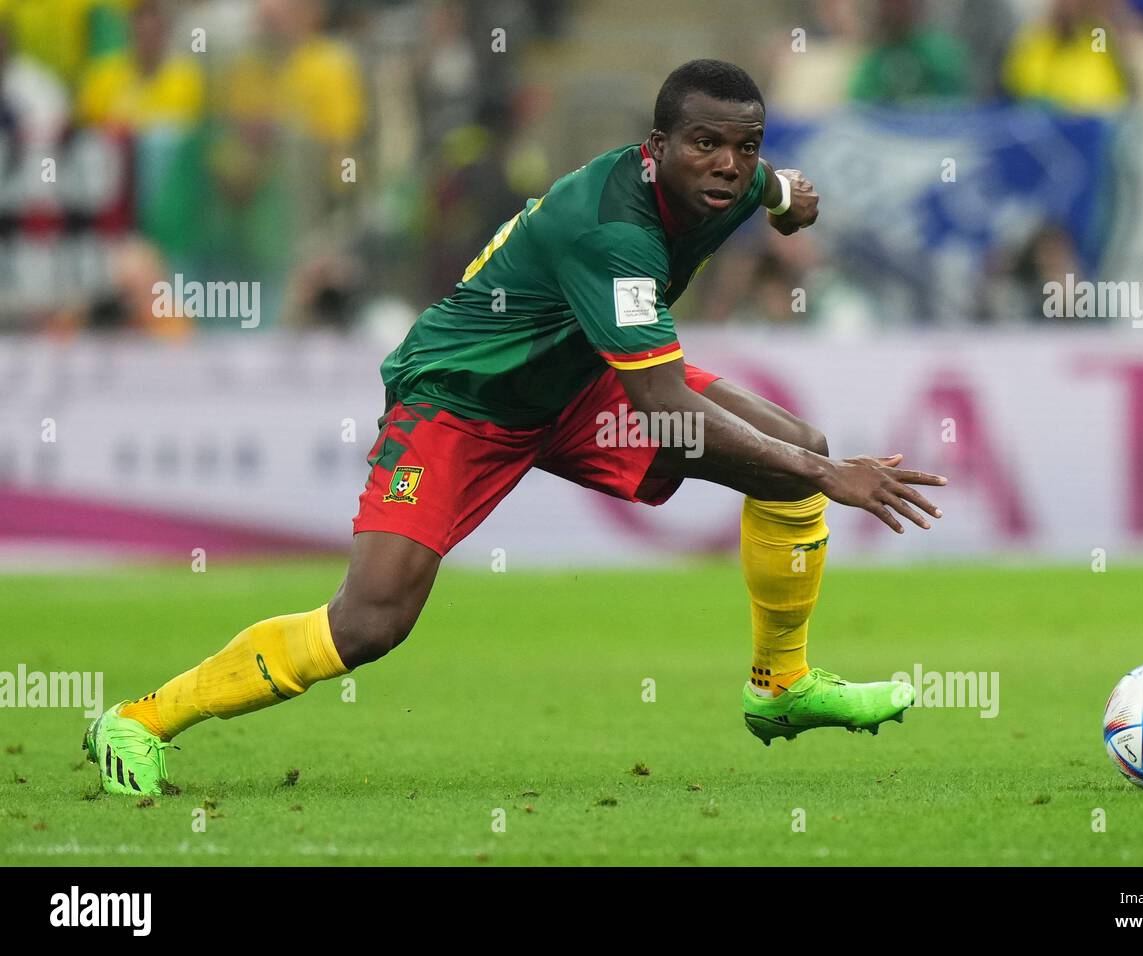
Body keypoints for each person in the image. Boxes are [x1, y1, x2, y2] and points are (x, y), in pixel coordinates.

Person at [83, 60, 946, 796]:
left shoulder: (733, 180)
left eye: (744, 148)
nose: (727, 165)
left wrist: (792, 197)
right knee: (371, 621)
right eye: (706, 146)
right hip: (462, 398)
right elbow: (667, 411)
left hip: (578, 378)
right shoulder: (613, 229)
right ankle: (137, 721)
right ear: (658, 150)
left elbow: (780, 191)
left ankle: (781, 684)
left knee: (797, 454)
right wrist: (830, 480)